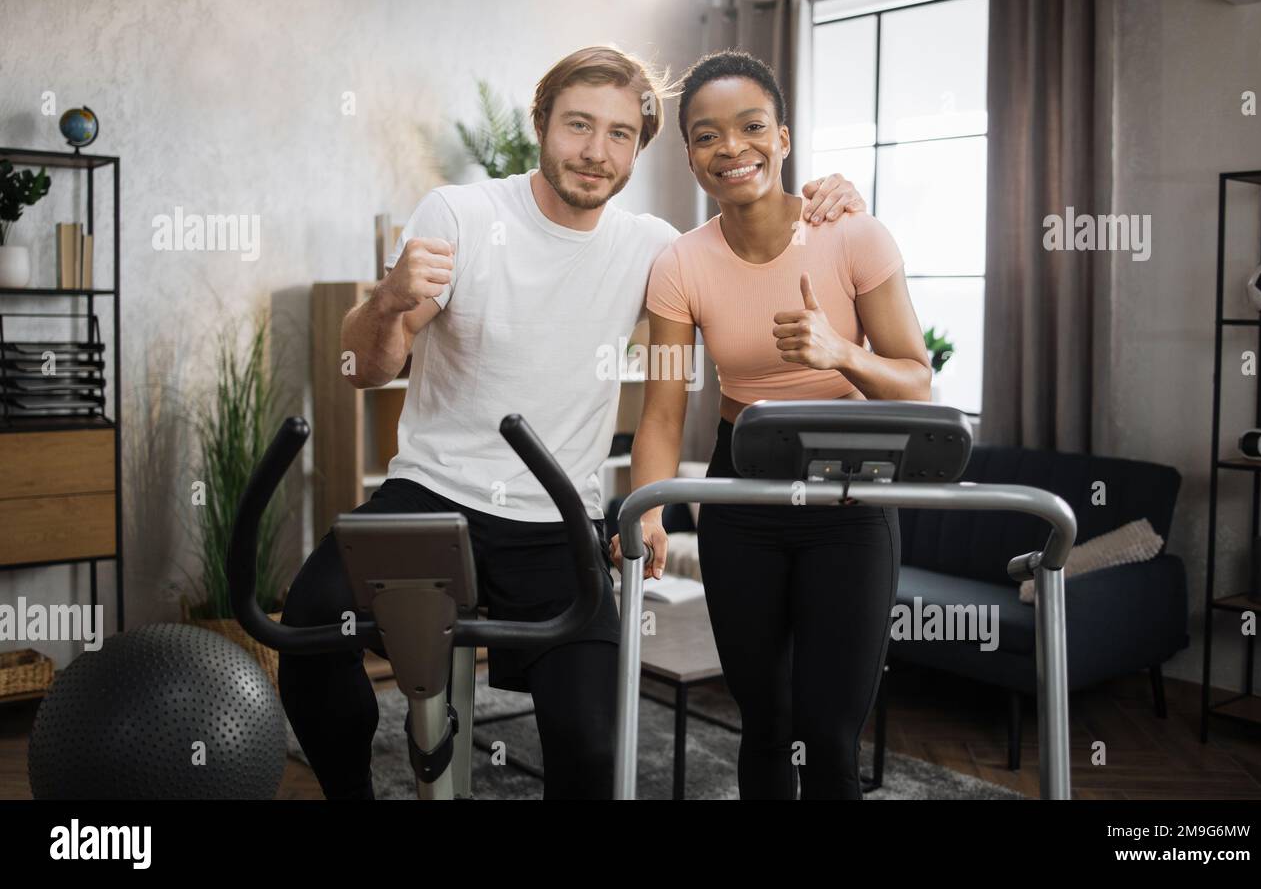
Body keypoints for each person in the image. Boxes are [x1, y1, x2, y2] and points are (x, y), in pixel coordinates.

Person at [278, 44, 868, 800]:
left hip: (557, 517)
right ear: (541, 124)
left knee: (592, 744)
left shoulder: (655, 248)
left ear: (642, 148)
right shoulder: (461, 213)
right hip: (431, 492)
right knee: (308, 627)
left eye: (619, 134)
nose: (595, 152)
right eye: (578, 126)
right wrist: (388, 301)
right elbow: (366, 369)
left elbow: (675, 377)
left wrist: (829, 196)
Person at [611, 50, 932, 799]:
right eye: (706, 135)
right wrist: (650, 507)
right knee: (765, 719)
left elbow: (916, 386)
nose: (732, 149)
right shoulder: (680, 264)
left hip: (851, 495)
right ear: (689, 153)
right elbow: (662, 411)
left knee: (826, 735)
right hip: (742, 490)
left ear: (783, 138)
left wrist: (841, 353)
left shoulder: (853, 234)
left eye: (751, 126)